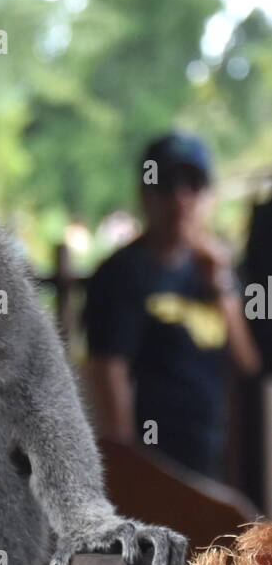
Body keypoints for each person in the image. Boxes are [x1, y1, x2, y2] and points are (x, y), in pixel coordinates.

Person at [85, 133, 260, 482]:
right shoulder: (120, 274)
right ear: (145, 193)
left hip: (213, 460)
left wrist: (221, 288)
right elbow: (109, 372)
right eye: (165, 184)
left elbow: (248, 362)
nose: (180, 199)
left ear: (208, 196)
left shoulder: (215, 271)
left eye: (192, 185)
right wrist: (130, 472)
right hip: (153, 467)